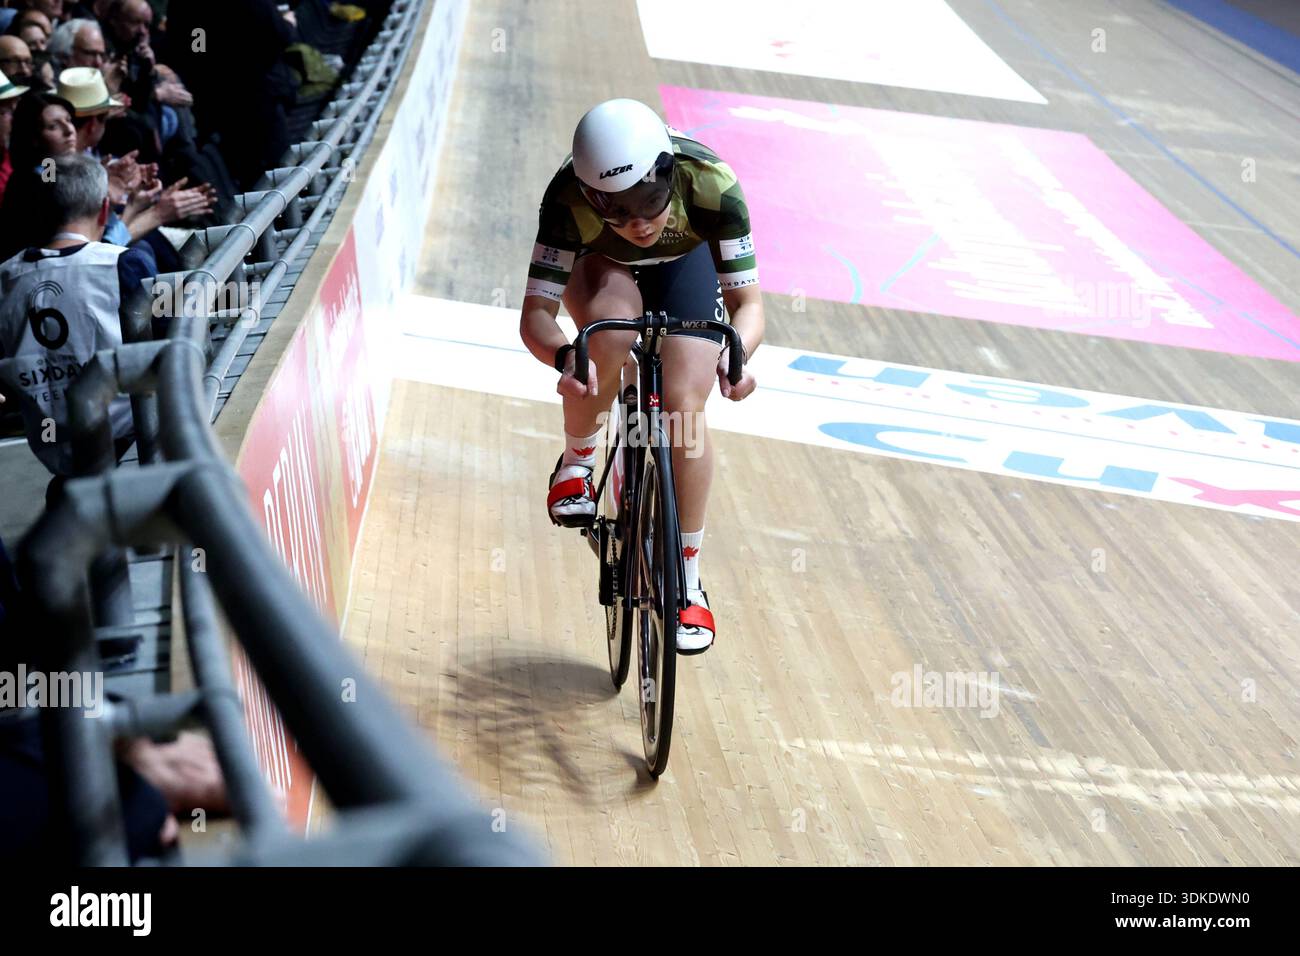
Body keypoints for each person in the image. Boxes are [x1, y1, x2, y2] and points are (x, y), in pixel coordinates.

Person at [519, 99, 763, 654]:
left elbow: (748, 305)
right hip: (602, 268)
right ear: (587, 195)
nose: (637, 223)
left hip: (686, 264)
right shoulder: (565, 199)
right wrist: (565, 359)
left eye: (650, 203)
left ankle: (687, 576)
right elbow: (536, 316)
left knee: (684, 405)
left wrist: (737, 357)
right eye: (616, 209)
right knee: (608, 336)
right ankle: (579, 459)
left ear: (669, 172)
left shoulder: (711, 183)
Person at [0, 152, 154, 476]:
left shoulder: (4, 278)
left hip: (58, 462)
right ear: (104, 209)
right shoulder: (125, 264)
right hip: (134, 453)